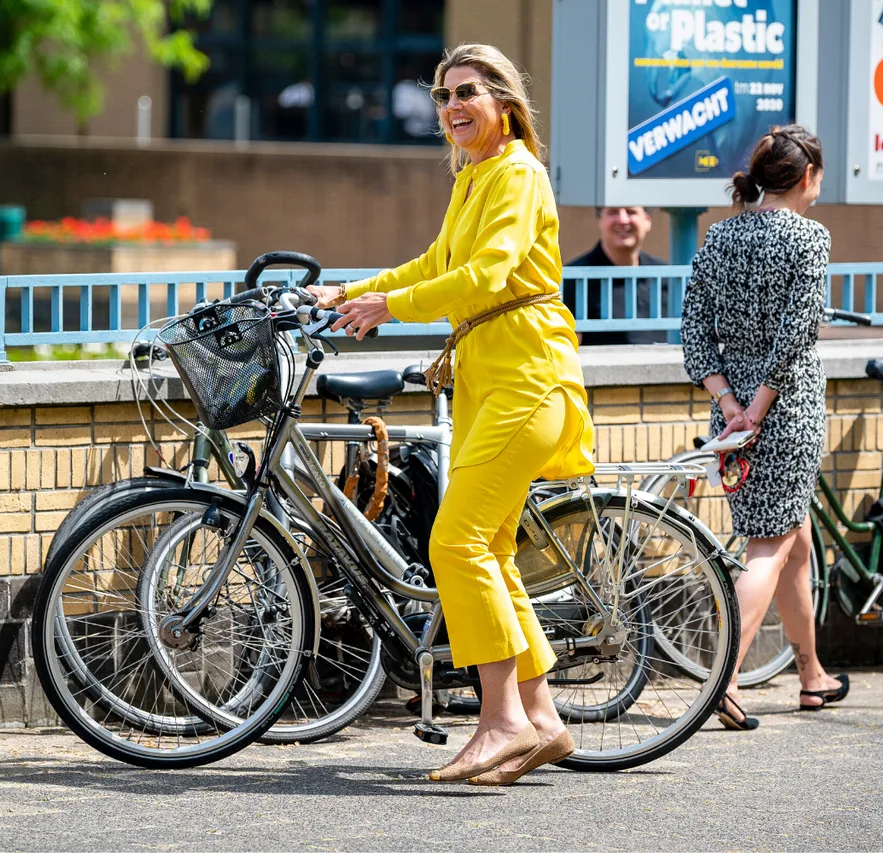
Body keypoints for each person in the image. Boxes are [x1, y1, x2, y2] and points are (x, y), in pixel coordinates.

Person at [308, 43, 593, 785]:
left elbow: (486, 274)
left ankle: (499, 722)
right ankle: (543, 721)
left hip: (528, 379)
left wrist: (389, 306)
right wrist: (346, 294)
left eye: (467, 91)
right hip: (489, 380)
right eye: (442, 95)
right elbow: (435, 265)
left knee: (456, 541)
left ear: (504, 101)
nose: (451, 106)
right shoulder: (474, 178)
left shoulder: (519, 173)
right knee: (488, 551)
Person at [680, 125, 849, 730]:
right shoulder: (810, 238)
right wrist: (763, 402)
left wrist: (730, 402)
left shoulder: (719, 236)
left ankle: (811, 675)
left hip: (732, 415)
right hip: (788, 409)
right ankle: (719, 683)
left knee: (793, 541)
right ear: (808, 177)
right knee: (769, 547)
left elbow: (695, 330)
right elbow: (798, 330)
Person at [562, 206, 667, 346]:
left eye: (631, 212)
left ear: (647, 221)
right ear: (600, 220)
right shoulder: (573, 282)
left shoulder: (667, 277)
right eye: (613, 212)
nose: (622, 220)